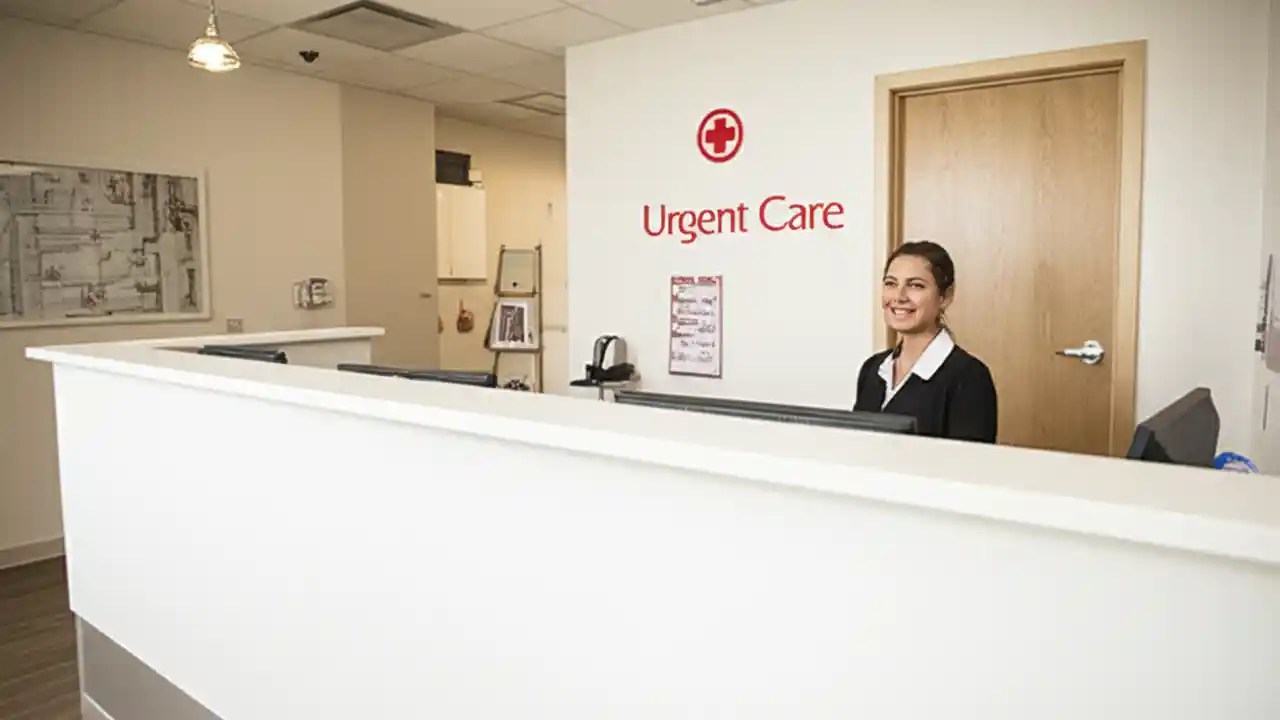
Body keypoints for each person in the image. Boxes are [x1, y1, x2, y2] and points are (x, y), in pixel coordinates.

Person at [854, 241, 998, 442]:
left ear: (945, 297)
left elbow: (969, 466)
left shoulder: (968, 377)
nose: (899, 296)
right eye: (891, 283)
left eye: (915, 285)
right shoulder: (873, 368)